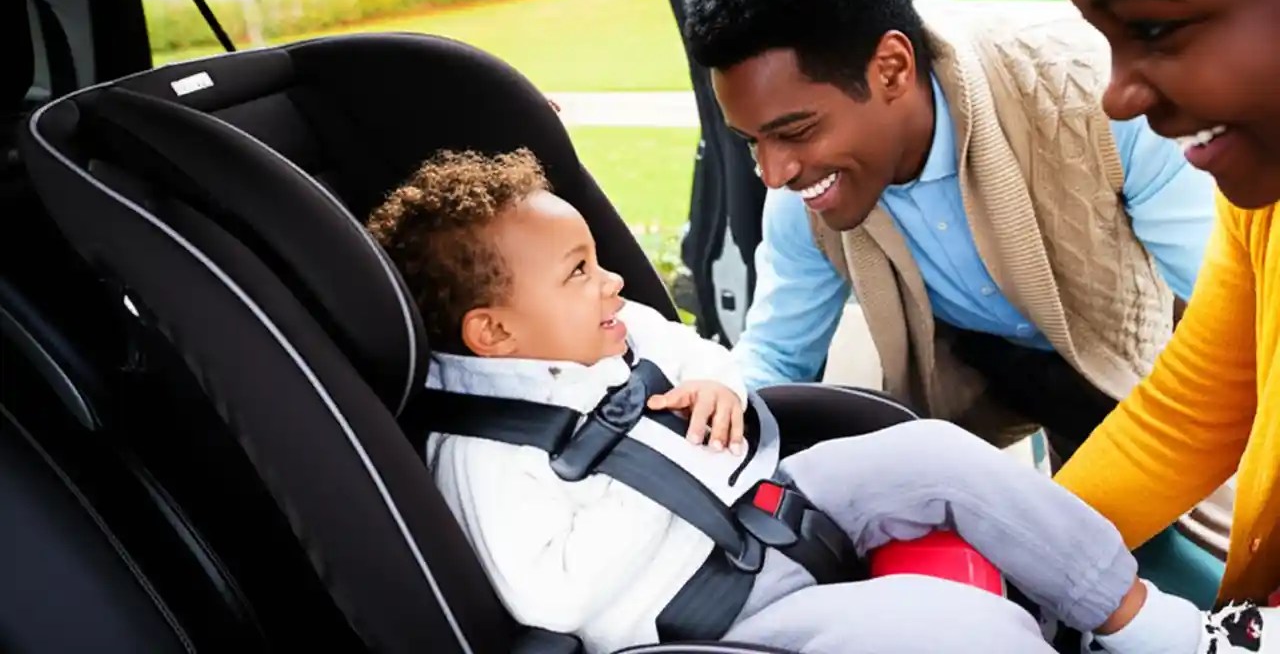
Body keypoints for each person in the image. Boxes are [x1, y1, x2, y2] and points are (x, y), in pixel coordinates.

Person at [364, 147, 1254, 654]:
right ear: (494, 334)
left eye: (598, 260)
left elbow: (703, 355)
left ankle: (1156, 629)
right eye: (578, 273)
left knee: (940, 456)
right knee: (964, 628)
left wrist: (719, 385)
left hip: (774, 500)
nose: (610, 285)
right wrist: (690, 471)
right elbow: (551, 596)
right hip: (712, 611)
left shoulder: (611, 325)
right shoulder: (485, 455)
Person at [681, 0, 1217, 461]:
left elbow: (1235, 312)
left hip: (1150, 369)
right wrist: (723, 396)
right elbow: (775, 355)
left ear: (891, 69)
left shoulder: (1097, 98)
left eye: (795, 131)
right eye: (753, 141)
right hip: (980, 384)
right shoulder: (805, 200)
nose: (774, 174)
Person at [1014, 0, 1280, 642]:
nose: (1119, 95)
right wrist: (1012, 554)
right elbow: (1189, 416)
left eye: (1156, 29)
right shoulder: (1262, 202)